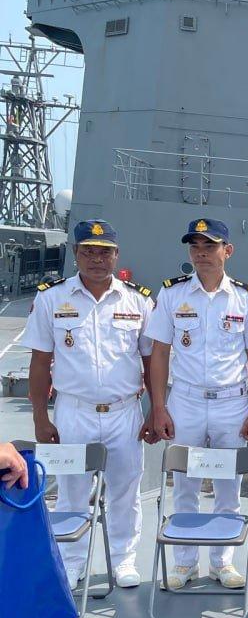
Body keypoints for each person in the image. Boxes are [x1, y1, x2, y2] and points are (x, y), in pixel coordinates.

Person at [22, 219, 156, 589]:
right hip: (74, 411)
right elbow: (39, 363)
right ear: (76, 254)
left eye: (105, 252)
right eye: (88, 252)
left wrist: (155, 410)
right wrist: (39, 417)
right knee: (71, 490)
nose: (97, 259)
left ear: (116, 256)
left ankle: (123, 560)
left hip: (124, 412)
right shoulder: (52, 299)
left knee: (125, 489)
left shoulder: (138, 300)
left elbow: (151, 361)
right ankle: (73, 560)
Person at [147, 218, 248, 589]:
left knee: (229, 486)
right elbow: (159, 354)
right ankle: (184, 561)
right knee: (185, 484)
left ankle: (222, 561)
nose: (201, 253)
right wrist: (159, 406)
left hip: (232, 402)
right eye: (195, 246)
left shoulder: (246, 299)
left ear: (227, 251)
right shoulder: (172, 295)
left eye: (209, 245)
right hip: (185, 400)